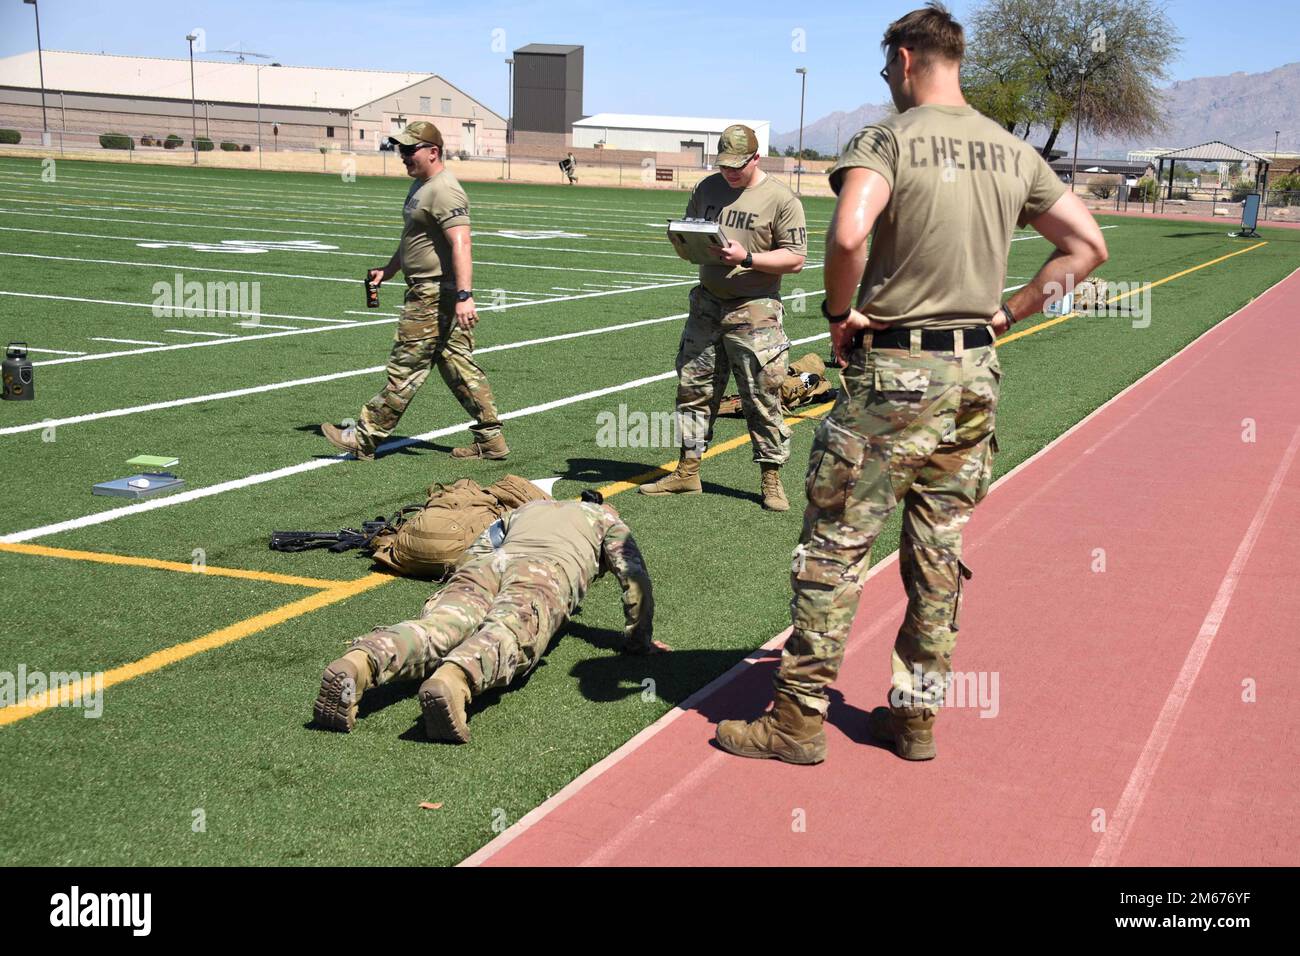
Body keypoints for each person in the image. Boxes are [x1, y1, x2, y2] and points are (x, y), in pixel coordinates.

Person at [715, 1, 1108, 764]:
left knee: (834, 545)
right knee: (938, 551)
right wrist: (1009, 313)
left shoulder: (885, 138)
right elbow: (1086, 247)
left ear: (902, 60)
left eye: (885, 69)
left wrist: (838, 312)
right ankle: (916, 717)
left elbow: (851, 231)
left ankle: (797, 720)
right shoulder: (1011, 149)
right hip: (974, 378)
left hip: (896, 371)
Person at [313, 492, 668, 742]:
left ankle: (361, 661)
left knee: (440, 626)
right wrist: (639, 641)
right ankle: (454, 680)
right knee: (509, 631)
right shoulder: (608, 519)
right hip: (544, 572)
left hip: (488, 565)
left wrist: (462, 592)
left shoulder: (530, 508)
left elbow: (476, 551)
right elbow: (634, 580)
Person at [639, 124, 808, 511]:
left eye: (738, 165)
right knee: (693, 389)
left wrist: (746, 258)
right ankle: (688, 471)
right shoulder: (706, 189)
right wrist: (684, 242)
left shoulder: (782, 199)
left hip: (756, 310)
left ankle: (771, 478)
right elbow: (693, 233)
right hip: (706, 305)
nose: (730, 172)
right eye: (725, 165)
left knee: (761, 395)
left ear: (756, 157)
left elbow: (796, 259)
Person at [321, 121, 507, 461]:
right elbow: (414, 239)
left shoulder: (443, 189)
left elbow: (461, 242)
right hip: (433, 291)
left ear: (433, 152)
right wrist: (390, 270)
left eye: (410, 150)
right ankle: (491, 439)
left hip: (434, 295)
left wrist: (465, 295)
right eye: (400, 150)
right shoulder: (422, 186)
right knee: (458, 367)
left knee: (406, 366)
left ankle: (364, 437)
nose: (403, 156)